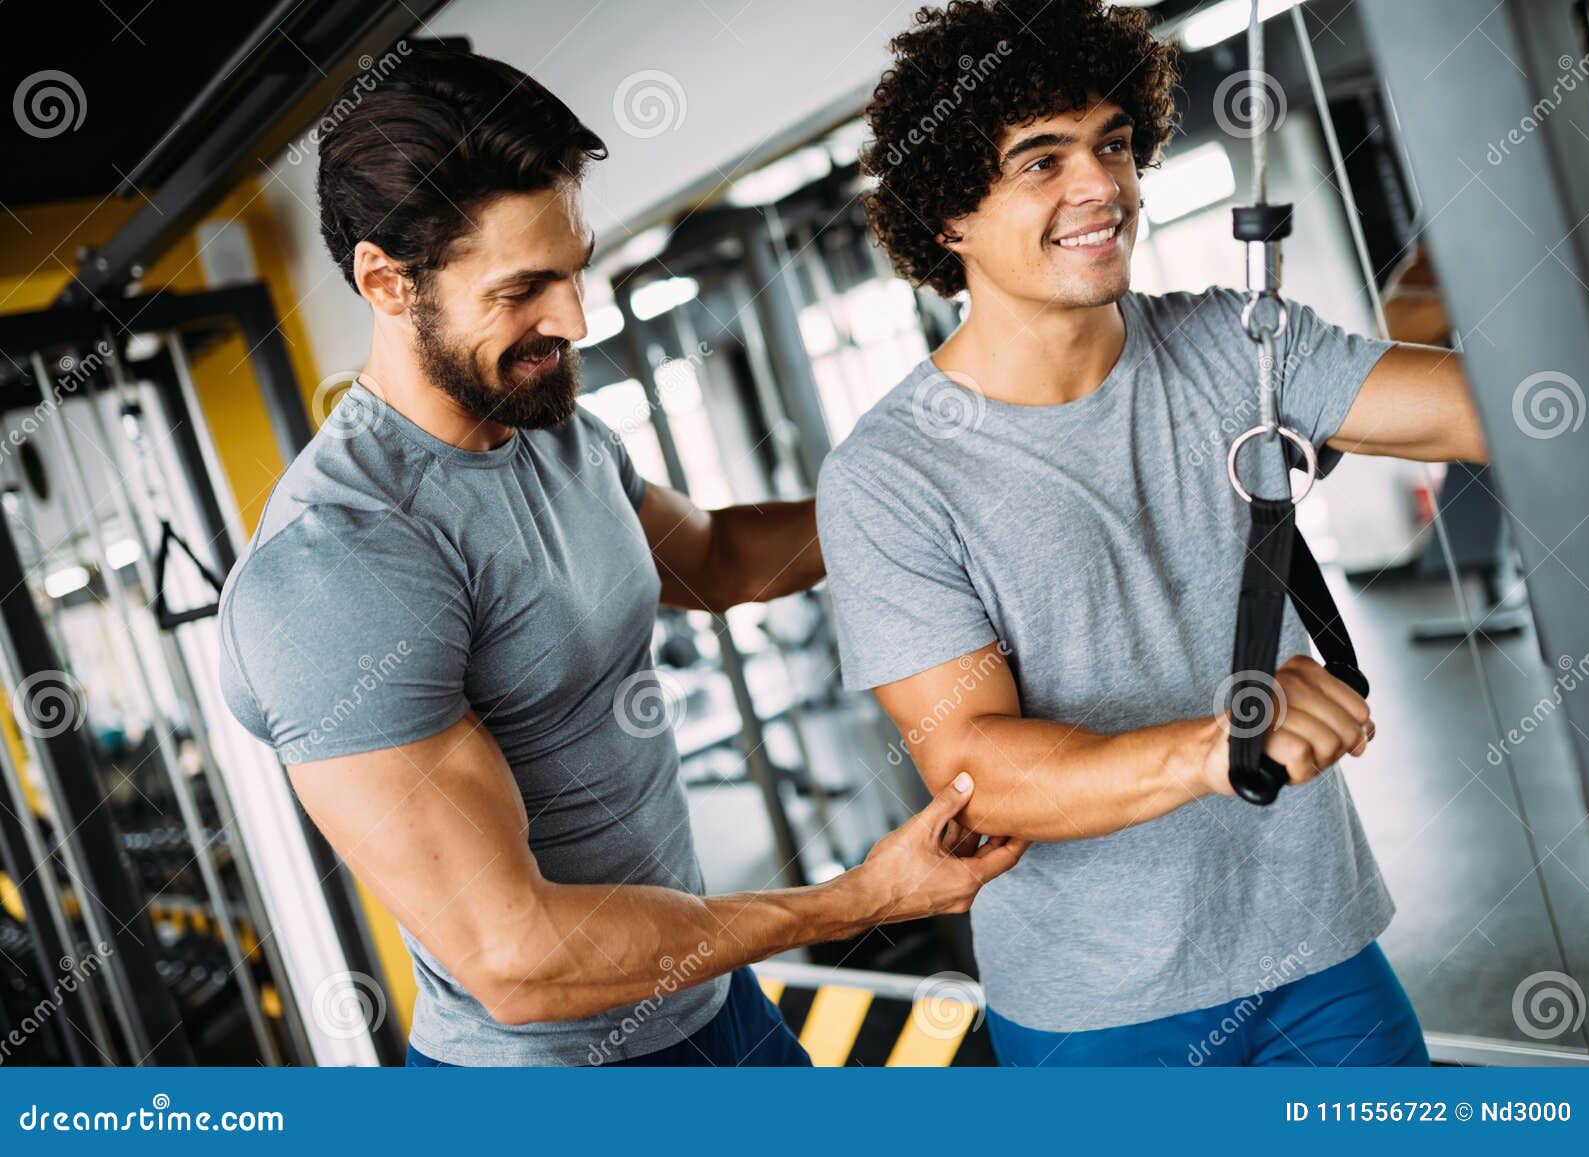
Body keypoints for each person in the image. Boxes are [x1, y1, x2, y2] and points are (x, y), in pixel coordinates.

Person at [218, 45, 1026, 1068]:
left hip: (708, 1007)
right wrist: (859, 897)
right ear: (384, 280)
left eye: (575, 268)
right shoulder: (336, 565)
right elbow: (514, 957)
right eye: (524, 289)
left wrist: (930, 495)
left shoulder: (551, 434)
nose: (574, 320)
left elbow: (718, 560)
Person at [816, 0, 1489, 1066]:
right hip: (1098, 1006)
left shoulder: (1234, 344)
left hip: (1319, 953)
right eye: (1041, 162)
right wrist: (1218, 744)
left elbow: (1495, 408)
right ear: (948, 216)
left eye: (1113, 146)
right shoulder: (889, 475)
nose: (1101, 188)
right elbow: (976, 769)